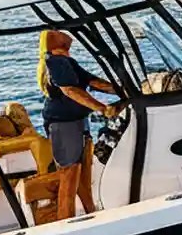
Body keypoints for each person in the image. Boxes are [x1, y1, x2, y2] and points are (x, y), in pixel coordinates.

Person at [37, 29, 121, 218]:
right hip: (64, 124)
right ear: (53, 40)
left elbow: (92, 81)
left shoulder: (67, 62)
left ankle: (91, 213)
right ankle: (65, 221)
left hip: (77, 121)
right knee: (69, 174)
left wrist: (124, 89)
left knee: (82, 170)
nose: (67, 35)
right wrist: (102, 108)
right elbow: (70, 90)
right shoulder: (54, 62)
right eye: (59, 32)